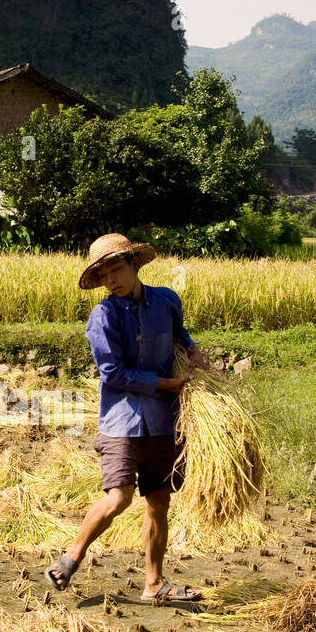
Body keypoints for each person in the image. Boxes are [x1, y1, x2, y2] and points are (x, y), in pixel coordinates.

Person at [45, 233, 207, 603]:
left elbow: (179, 335)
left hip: (165, 420)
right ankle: (70, 557)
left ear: (135, 264)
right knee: (119, 497)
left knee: (159, 500)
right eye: (103, 276)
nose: (111, 280)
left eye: (116, 270)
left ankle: (154, 584)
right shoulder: (103, 316)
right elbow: (112, 373)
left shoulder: (166, 301)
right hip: (122, 420)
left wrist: (193, 351)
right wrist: (166, 383)